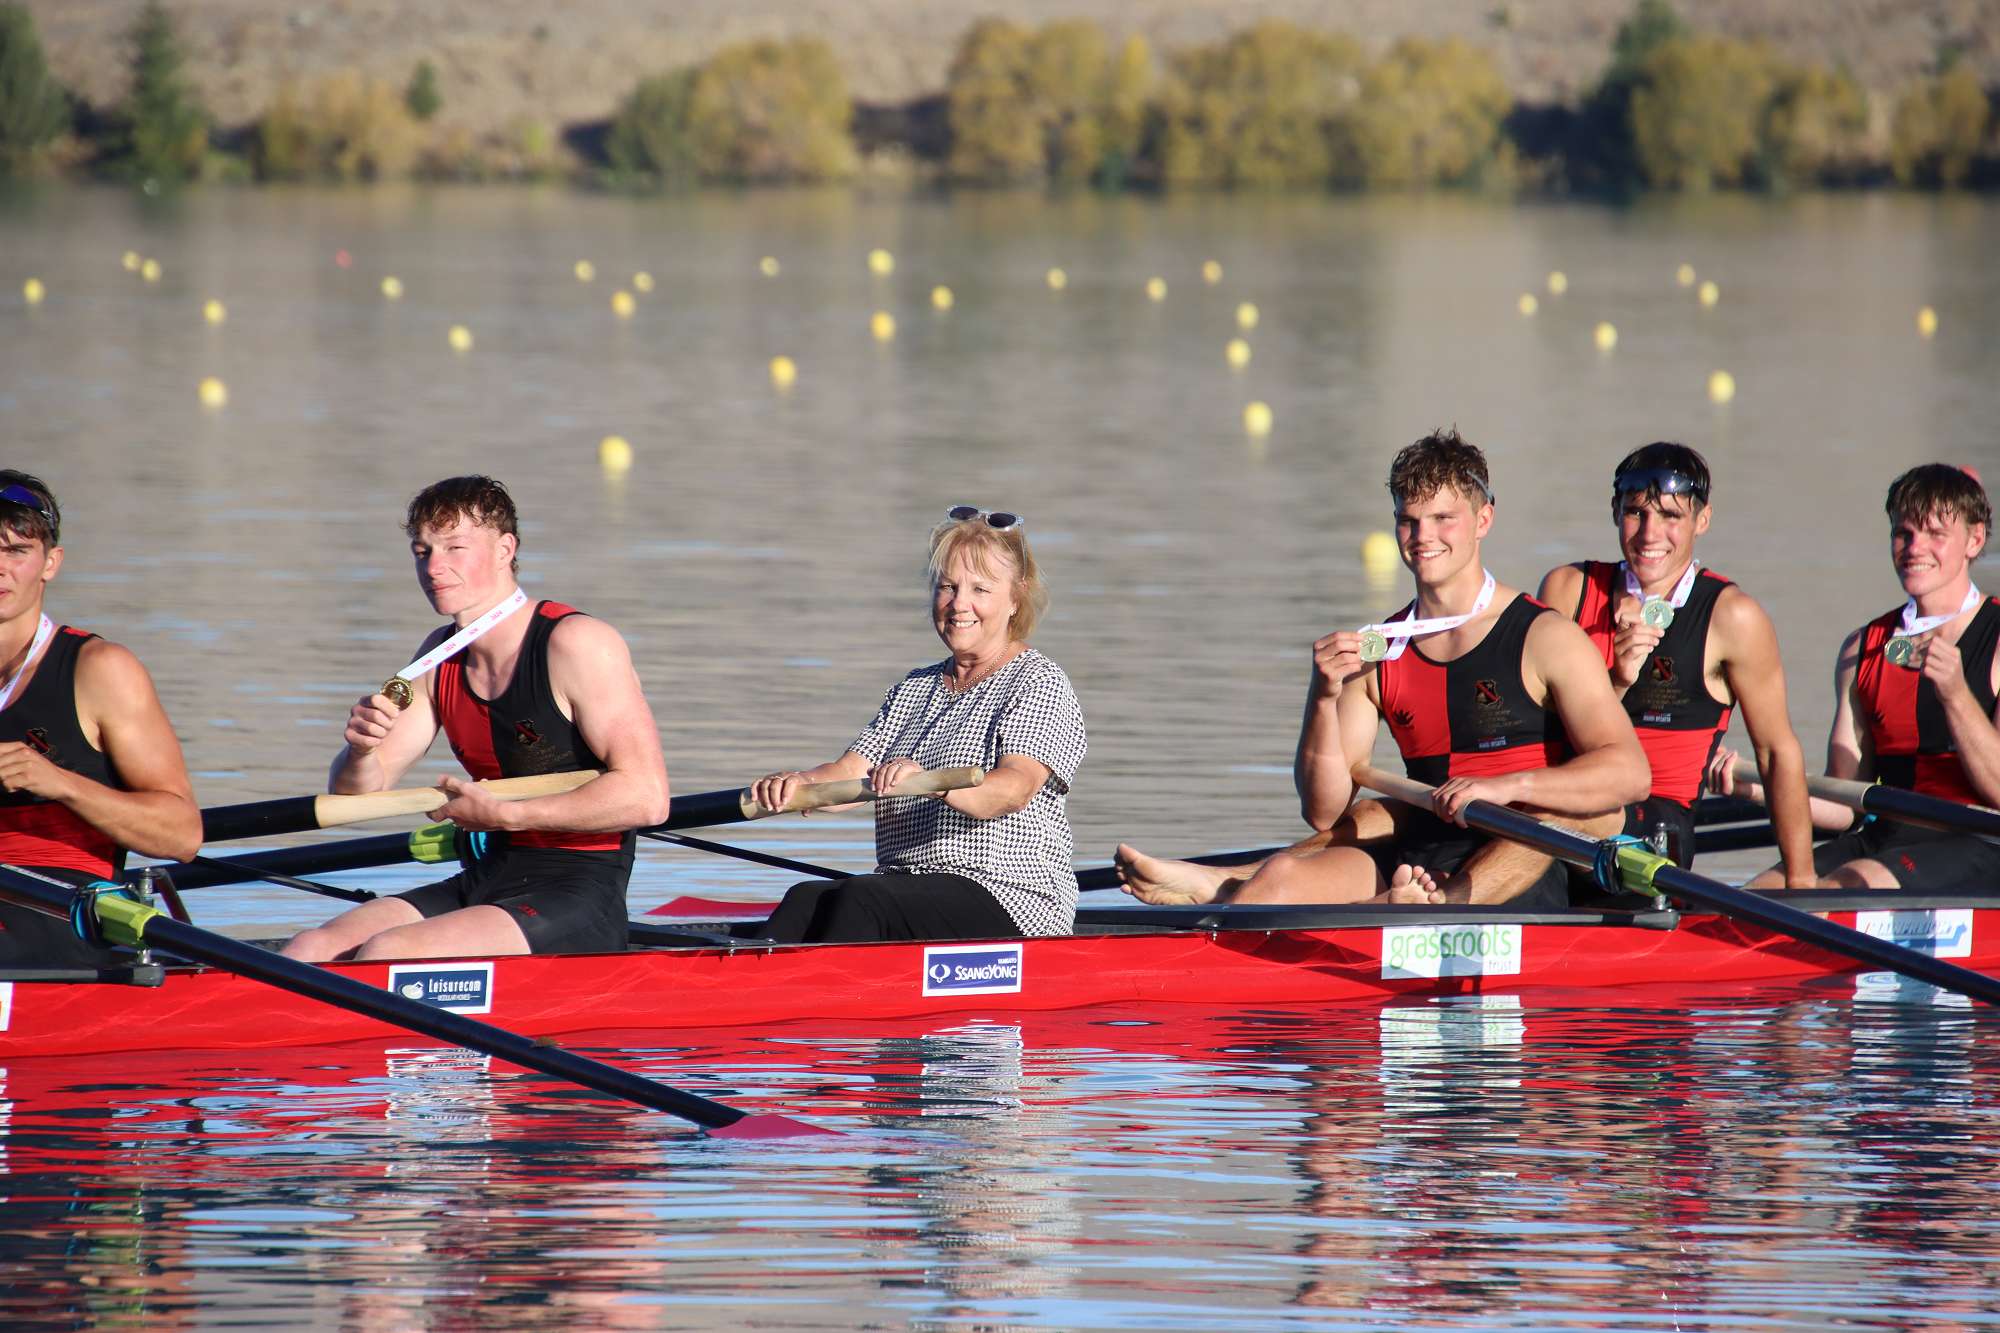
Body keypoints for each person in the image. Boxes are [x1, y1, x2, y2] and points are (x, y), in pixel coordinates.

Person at [1116, 430, 1649, 907]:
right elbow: (1324, 812)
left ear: (1483, 519)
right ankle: (1229, 887)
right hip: (1424, 848)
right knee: (1289, 872)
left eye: (1444, 519)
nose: (1424, 537)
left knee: (1534, 821)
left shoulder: (1546, 636)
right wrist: (1323, 695)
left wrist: (1503, 787)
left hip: (1526, 857)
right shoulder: (1380, 651)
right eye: (1409, 521)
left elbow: (1629, 773)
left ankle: (1430, 912)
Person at [283, 476, 668, 962]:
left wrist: (508, 815)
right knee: (307, 950)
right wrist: (360, 750)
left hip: (576, 891)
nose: (434, 568)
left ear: (506, 549)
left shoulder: (577, 643)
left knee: (387, 951)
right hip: (489, 877)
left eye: (454, 548)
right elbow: (356, 796)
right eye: (422, 552)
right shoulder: (437, 656)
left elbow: (648, 797)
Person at [749, 506, 1086, 943]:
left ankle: (819, 1004)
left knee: (861, 900)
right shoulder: (915, 687)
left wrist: (930, 782)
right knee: (805, 898)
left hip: (1012, 899)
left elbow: (1012, 790)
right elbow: (850, 773)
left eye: (980, 589)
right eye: (948, 587)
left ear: (1015, 600)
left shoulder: (1038, 682)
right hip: (909, 886)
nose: (958, 604)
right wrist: (797, 783)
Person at [1536, 442, 1816, 886]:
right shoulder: (1568, 589)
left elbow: (1776, 752)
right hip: (1566, 799)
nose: (1650, 535)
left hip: (1658, 827)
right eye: (1636, 513)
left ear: (1701, 520)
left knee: (1535, 817)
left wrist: (1802, 884)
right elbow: (1539, 732)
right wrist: (1617, 684)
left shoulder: (1732, 617)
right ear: (1614, 511)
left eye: (1670, 517)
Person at [1715, 463, 1999, 890]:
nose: (1914, 548)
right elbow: (1842, 803)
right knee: (1749, 901)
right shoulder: (1861, 648)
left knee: (1833, 893)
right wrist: (1757, 788)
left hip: (1977, 840)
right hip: (1883, 838)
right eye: (1903, 533)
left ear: (1974, 541)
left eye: (1935, 534)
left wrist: (1956, 693)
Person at [0, 471, 202, 966]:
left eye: (16, 550)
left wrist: (60, 782)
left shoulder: (100, 670)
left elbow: (182, 835)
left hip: (63, 907)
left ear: (51, 564)